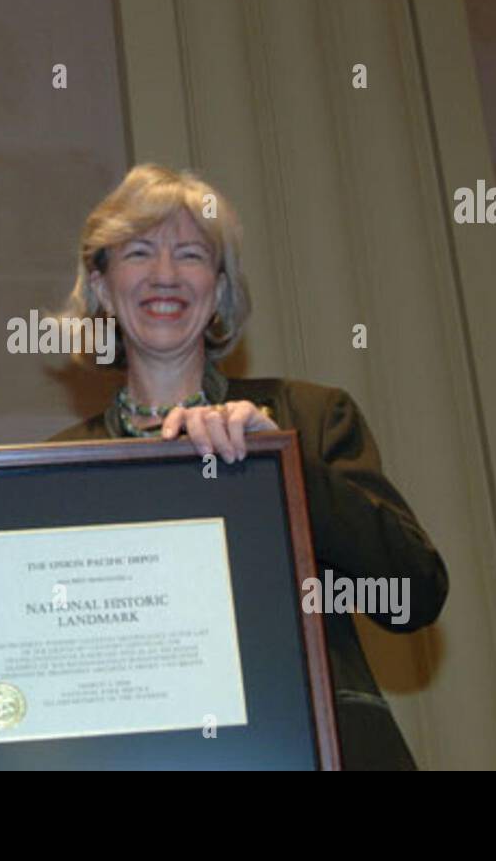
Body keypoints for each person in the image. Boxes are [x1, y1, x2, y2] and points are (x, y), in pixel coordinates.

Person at [50, 164, 449, 770]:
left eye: (190, 254)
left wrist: (285, 462)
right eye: (138, 252)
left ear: (219, 288)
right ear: (102, 287)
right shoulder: (59, 466)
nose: (165, 275)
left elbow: (413, 596)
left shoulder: (307, 417)